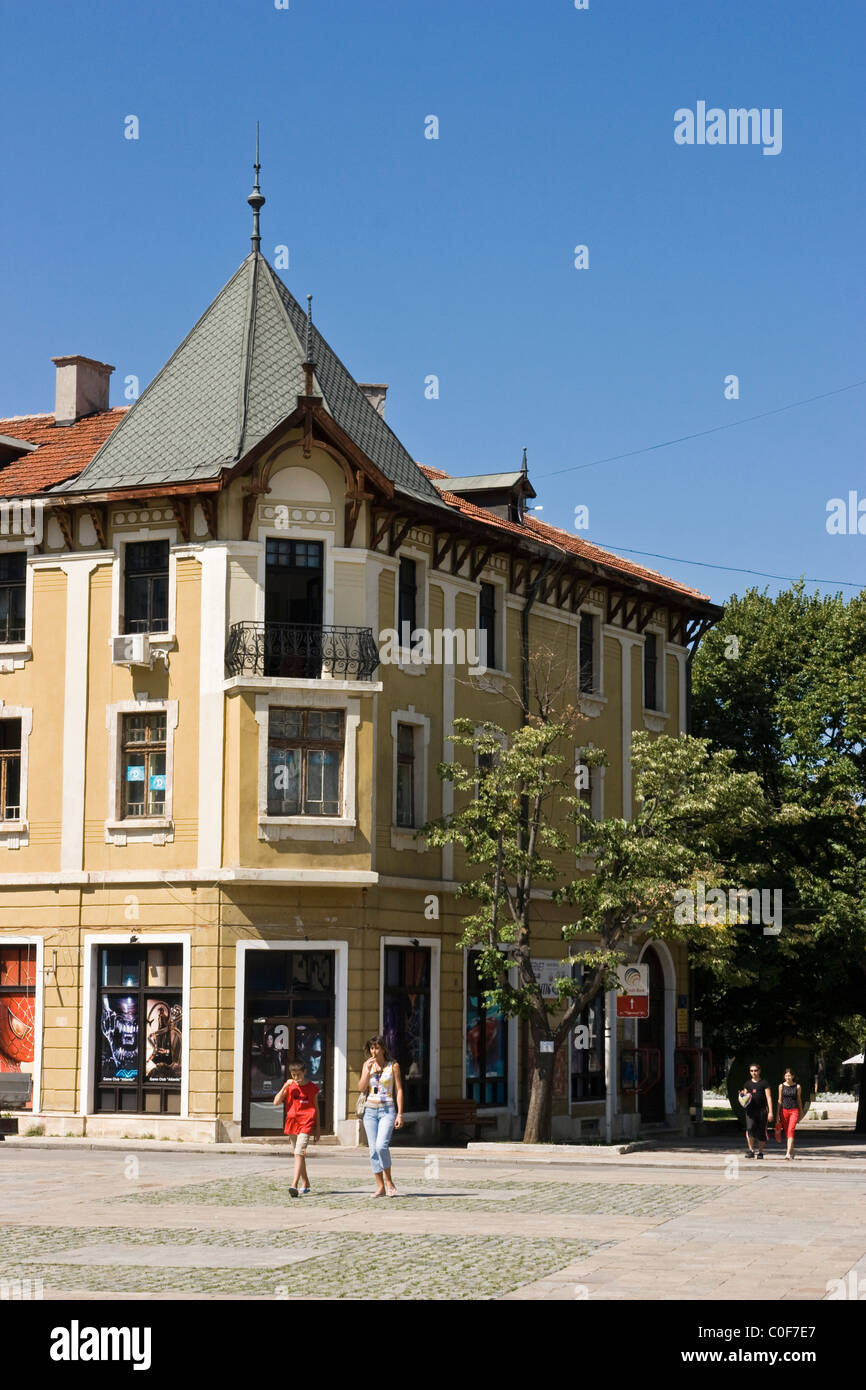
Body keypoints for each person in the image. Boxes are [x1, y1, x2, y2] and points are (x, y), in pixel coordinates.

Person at [358, 1035, 404, 1197]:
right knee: (372, 1150)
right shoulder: (367, 1065)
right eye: (371, 1048)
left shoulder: (393, 1066)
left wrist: (399, 1114)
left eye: (377, 1048)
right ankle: (380, 1187)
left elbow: (398, 1090)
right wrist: (367, 1071)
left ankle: (389, 1181)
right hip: (370, 1111)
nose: (374, 1051)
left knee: (381, 1146)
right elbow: (361, 1087)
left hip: (387, 1110)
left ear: (383, 1049)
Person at [274, 1059, 320, 1196]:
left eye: (298, 1074)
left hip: (307, 1123)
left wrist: (317, 1129)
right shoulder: (289, 1087)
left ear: (304, 1072)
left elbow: (316, 1108)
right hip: (292, 1123)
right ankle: (305, 1182)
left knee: (299, 1152)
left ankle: (294, 1184)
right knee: (299, 1154)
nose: (296, 1078)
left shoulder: (312, 1087)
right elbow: (276, 1102)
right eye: (293, 1075)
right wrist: (284, 1087)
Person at [738, 1062, 774, 1159]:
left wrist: (770, 1112)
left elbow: (769, 1098)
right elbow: (744, 1098)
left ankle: (760, 1152)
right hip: (750, 1111)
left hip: (762, 1111)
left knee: (761, 1131)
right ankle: (751, 1151)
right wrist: (741, 1095)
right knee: (750, 1129)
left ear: (759, 1071)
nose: (753, 1072)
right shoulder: (747, 1084)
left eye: (755, 1070)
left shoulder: (764, 1083)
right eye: (751, 1071)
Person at [777, 1067, 803, 1160]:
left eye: (789, 1075)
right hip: (783, 1111)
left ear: (793, 1076)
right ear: (784, 1076)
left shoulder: (798, 1087)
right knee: (787, 1132)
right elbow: (779, 1100)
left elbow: (799, 1100)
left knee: (791, 1130)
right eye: (786, 1075)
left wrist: (801, 1112)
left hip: (794, 1110)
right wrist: (777, 1115)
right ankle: (792, 1151)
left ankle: (787, 1153)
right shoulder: (781, 1086)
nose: (788, 1077)